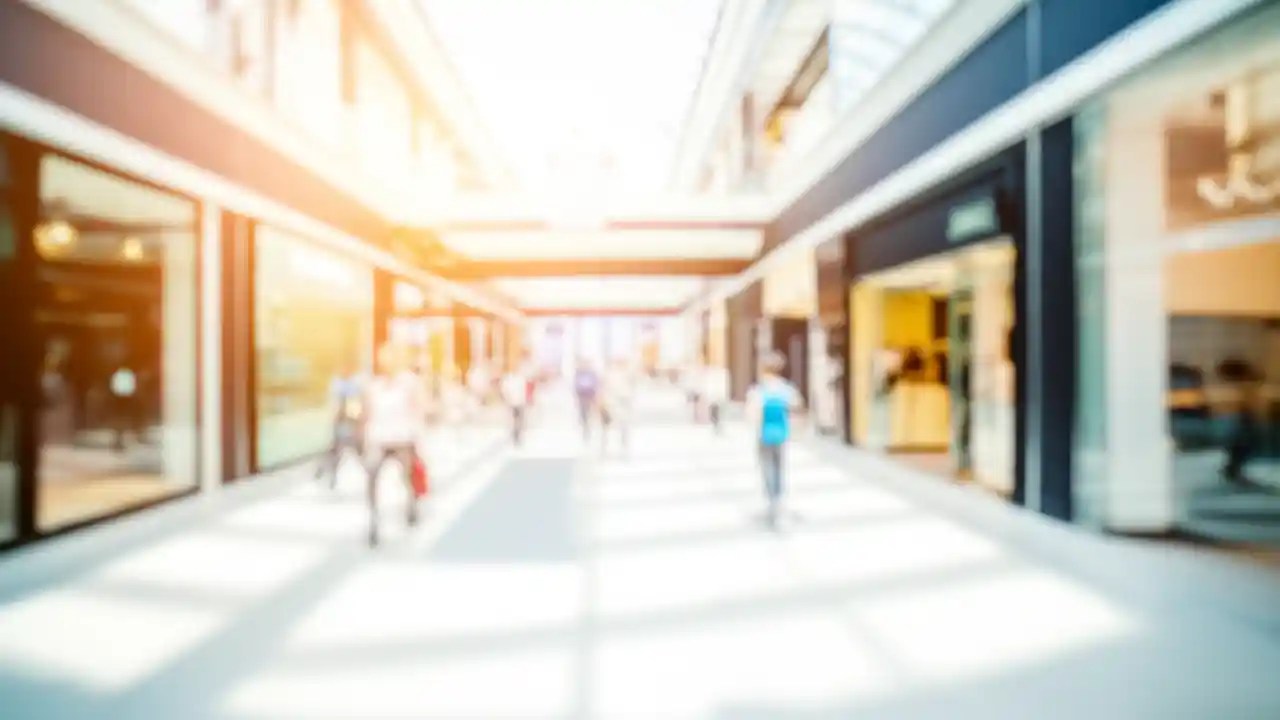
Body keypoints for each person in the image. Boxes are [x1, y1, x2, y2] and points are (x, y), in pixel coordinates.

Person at [363, 343, 428, 547]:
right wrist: (365, 438)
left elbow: (417, 410)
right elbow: (368, 413)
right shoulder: (374, 385)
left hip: (403, 438)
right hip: (379, 438)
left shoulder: (409, 382)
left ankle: (411, 507)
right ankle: (374, 521)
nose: (386, 363)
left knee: (406, 477)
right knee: (372, 478)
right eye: (383, 359)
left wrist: (419, 439)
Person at [747, 351, 804, 529]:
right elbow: (797, 407)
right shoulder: (787, 388)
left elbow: (752, 414)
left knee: (767, 468)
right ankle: (779, 500)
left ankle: (772, 502)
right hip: (782, 433)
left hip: (764, 434)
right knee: (780, 467)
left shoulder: (759, 390)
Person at [316, 359, 365, 488]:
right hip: (341, 421)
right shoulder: (337, 383)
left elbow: (357, 401)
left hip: (351, 420)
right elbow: (335, 402)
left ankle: (325, 471)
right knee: (336, 449)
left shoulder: (354, 382)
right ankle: (328, 473)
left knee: (354, 449)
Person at [598, 359, 634, 455]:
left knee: (622, 424)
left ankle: (621, 444)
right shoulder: (610, 374)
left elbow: (629, 390)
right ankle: (606, 445)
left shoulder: (624, 374)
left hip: (619, 402)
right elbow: (603, 389)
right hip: (612, 403)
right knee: (608, 424)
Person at [500, 364, 529, 446]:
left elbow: (524, 390)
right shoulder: (508, 379)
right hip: (512, 402)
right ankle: (514, 435)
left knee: (519, 420)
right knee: (514, 420)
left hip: (520, 402)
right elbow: (505, 391)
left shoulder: (520, 378)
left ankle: (517, 435)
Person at [573, 359, 601, 441]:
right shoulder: (578, 374)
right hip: (582, 396)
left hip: (590, 396)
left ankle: (590, 428)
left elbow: (596, 384)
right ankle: (585, 429)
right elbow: (575, 386)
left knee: (591, 414)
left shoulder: (592, 374)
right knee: (583, 414)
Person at [702, 364, 729, 434]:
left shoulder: (719, 375)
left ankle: (717, 426)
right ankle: (716, 426)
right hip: (715, 399)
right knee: (714, 414)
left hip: (717, 399)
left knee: (716, 414)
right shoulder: (713, 376)